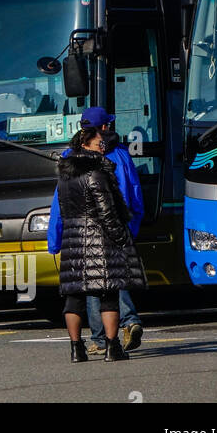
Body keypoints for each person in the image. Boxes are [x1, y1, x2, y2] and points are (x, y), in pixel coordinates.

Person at [47, 106, 145, 354]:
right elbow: (133, 196)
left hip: (75, 237)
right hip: (109, 230)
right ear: (103, 128)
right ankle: (121, 331)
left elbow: (59, 205)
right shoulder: (118, 156)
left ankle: (90, 342)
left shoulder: (68, 160)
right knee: (110, 285)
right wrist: (129, 230)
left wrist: (54, 239)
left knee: (83, 291)